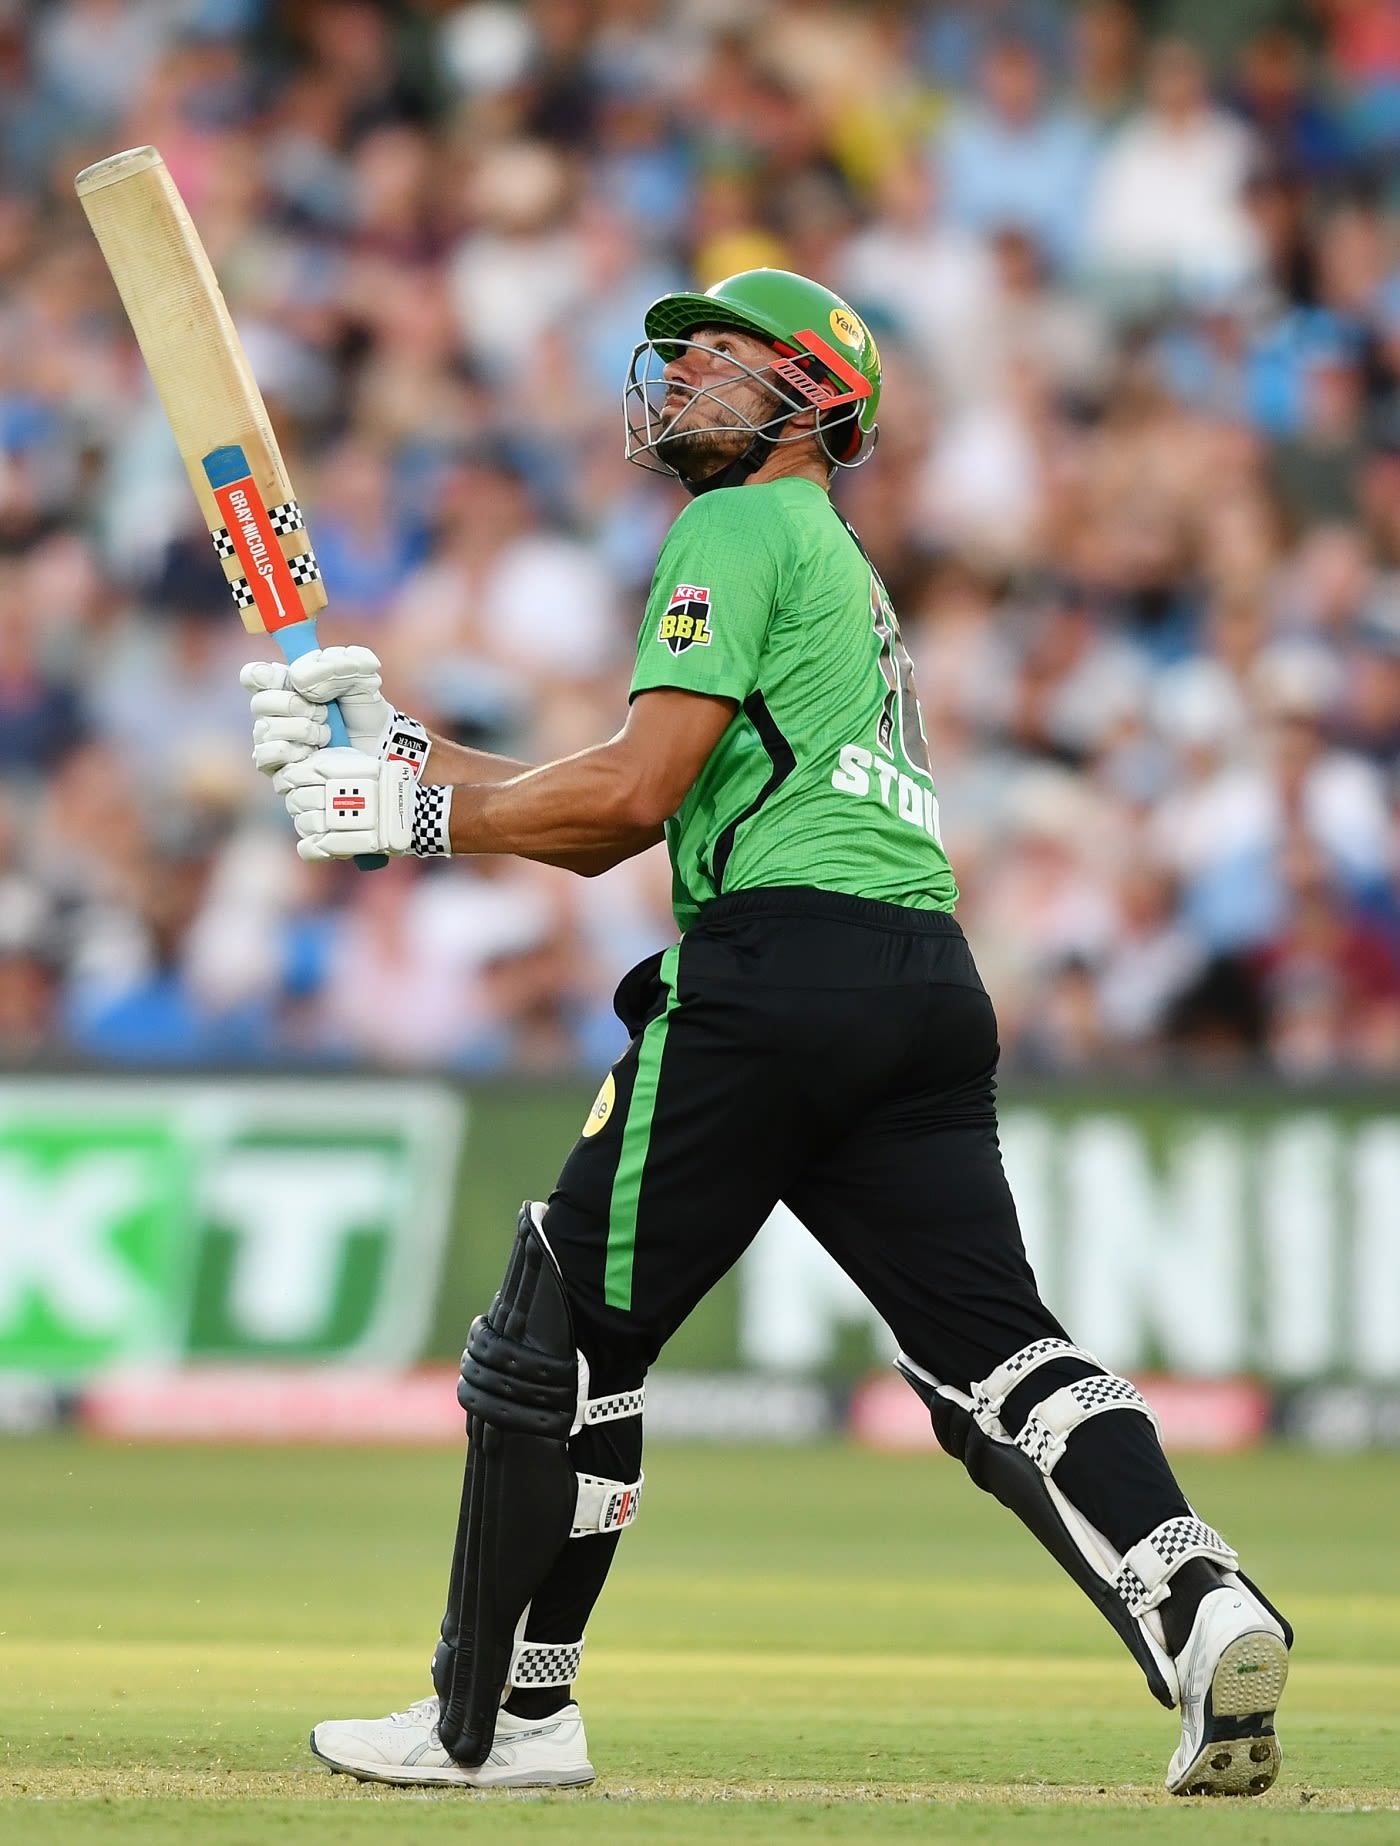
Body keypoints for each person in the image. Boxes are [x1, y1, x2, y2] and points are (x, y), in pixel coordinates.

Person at [243, 269, 1291, 1798]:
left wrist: (406, 814)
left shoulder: (733, 527)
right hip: (921, 983)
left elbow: (627, 801)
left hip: (774, 975)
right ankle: (1204, 1604)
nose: (678, 381)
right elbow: (620, 793)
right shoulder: (833, 565)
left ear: (815, 396)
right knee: (997, 1353)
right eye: (675, 358)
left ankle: (498, 1721)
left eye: (720, 357)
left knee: (559, 1327)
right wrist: (402, 748)